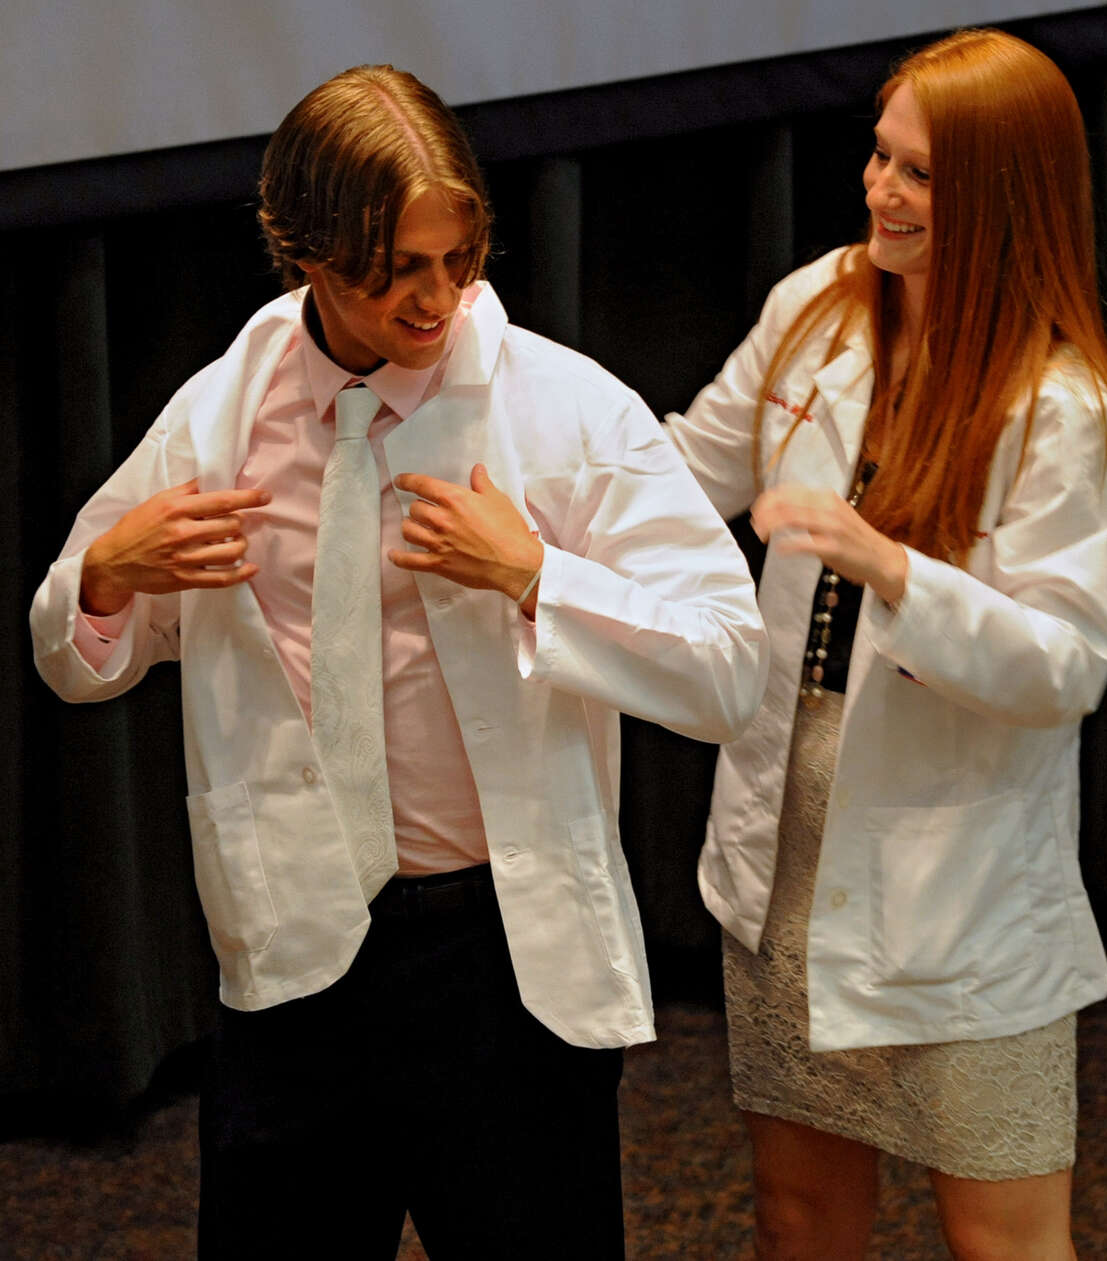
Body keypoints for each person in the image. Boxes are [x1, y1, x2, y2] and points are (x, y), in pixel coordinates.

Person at [29, 65, 767, 1259]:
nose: (440, 302)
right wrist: (110, 577)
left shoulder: (566, 413)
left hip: (500, 963)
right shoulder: (216, 418)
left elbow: (734, 670)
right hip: (294, 951)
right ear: (305, 254)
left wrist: (540, 578)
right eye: (397, 271)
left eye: (460, 258)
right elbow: (75, 659)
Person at [665, 28, 1107, 1261]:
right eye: (879, 157)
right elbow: (677, 473)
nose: (881, 190)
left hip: (962, 899)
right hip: (791, 861)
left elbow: (1065, 662)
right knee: (798, 1217)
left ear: (1002, 195)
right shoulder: (815, 308)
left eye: (920, 173)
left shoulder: (1058, 402)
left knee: (1003, 1240)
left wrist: (893, 569)